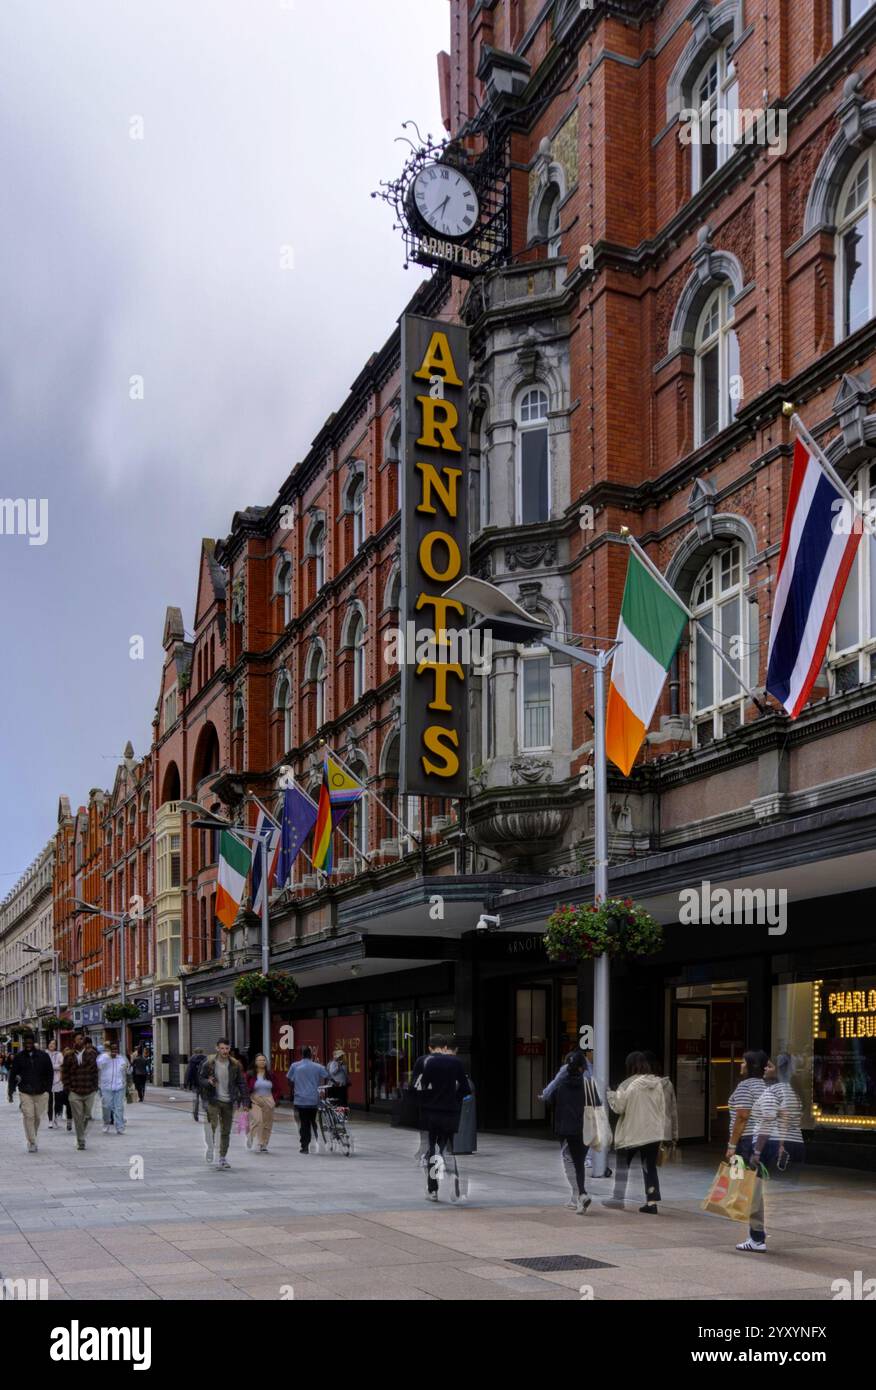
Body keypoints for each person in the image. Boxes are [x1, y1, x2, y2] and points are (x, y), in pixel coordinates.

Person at [726, 1050, 781, 1252]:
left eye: (743, 1062)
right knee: (752, 1188)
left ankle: (757, 1237)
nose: (740, 1065)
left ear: (750, 1066)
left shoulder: (745, 1086)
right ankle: (757, 1232)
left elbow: (741, 1116)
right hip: (766, 1142)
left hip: (748, 1142)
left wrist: (732, 1145)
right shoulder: (768, 1086)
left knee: (749, 1189)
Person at [606, 1051, 667, 1213]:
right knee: (649, 1168)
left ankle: (617, 1199)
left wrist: (611, 1094)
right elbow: (662, 1109)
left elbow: (619, 1107)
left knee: (622, 1166)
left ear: (630, 1066)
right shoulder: (657, 1083)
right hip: (653, 1134)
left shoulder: (627, 1085)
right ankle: (652, 1203)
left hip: (632, 1134)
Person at [418, 1034, 470, 1202]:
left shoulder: (430, 1063)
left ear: (432, 1047)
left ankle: (433, 1189)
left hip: (433, 1112)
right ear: (446, 1046)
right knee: (447, 1147)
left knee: (434, 1149)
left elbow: (423, 1087)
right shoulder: (457, 1063)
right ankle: (453, 1175)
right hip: (451, 1112)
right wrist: (454, 1098)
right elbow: (466, 1089)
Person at [541, 1049, 591, 1214]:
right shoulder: (588, 1085)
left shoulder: (561, 1085)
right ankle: (578, 1195)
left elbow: (550, 1100)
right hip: (584, 1128)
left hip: (565, 1129)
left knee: (568, 1162)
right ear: (583, 1067)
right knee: (579, 1163)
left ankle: (580, 1193)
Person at [198, 1037, 250, 1169]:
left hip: (229, 1102)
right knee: (212, 1127)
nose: (225, 1051)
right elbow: (200, 1079)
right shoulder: (209, 1063)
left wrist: (245, 1101)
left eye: (227, 1048)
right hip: (213, 1100)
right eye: (222, 1048)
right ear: (217, 1048)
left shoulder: (235, 1064)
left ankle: (222, 1157)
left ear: (230, 1049)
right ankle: (210, 1147)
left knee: (226, 1131)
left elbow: (241, 1083)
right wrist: (208, 1082)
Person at [7, 1032, 54, 1152]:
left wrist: (48, 1088)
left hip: (41, 1091)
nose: (28, 1045)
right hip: (25, 1091)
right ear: (23, 1043)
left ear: (34, 1043)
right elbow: (13, 1075)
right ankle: (32, 1142)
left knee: (37, 1117)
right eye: (26, 1043)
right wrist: (11, 1091)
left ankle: (32, 1135)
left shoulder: (43, 1056)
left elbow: (50, 1073)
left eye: (30, 1043)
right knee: (29, 1116)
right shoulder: (19, 1057)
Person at [287, 1047, 330, 1154]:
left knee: (303, 1123)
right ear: (311, 1055)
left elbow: (290, 1079)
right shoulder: (317, 1066)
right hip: (313, 1100)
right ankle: (316, 1138)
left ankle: (304, 1146)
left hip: (300, 1100)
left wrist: (296, 1085)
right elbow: (327, 1075)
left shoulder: (294, 1066)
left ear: (301, 1054)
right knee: (313, 1120)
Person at [61, 1032, 100, 1151]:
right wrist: (67, 1087)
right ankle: (81, 1140)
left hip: (89, 1089)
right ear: (74, 1041)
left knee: (87, 1116)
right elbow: (65, 1072)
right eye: (78, 1039)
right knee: (78, 1117)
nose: (81, 1041)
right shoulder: (69, 1056)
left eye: (82, 1039)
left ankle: (80, 1134)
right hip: (74, 1091)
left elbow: (95, 1071)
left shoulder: (92, 1054)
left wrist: (95, 1086)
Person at [773, 1051, 805, 1182]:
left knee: (781, 1182)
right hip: (798, 1141)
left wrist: (780, 1144)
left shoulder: (784, 1090)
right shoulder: (796, 1092)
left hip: (786, 1144)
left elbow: (785, 1118)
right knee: (792, 1181)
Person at [644, 1050, 679, 1155]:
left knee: (647, 1163)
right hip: (664, 1132)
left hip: (645, 1132)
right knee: (654, 1165)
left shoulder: (640, 1086)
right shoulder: (668, 1084)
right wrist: (674, 1135)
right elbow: (673, 1111)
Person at [246, 1054, 283, 1152]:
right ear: (255, 1062)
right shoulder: (250, 1074)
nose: (262, 1062)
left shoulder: (270, 1075)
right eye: (259, 1060)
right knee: (258, 1120)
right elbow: (245, 1087)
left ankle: (263, 1144)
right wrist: (245, 1100)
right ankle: (251, 1135)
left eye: (263, 1060)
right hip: (255, 1099)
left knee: (267, 1123)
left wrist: (274, 1099)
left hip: (269, 1099)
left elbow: (278, 1088)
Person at [97, 1039, 131, 1134]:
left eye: (116, 1050)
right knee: (106, 1106)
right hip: (106, 1087)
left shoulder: (122, 1059)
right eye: (113, 1050)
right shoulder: (103, 1058)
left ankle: (120, 1127)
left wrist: (127, 1069)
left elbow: (129, 1071)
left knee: (119, 1107)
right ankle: (106, 1123)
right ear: (109, 1050)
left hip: (120, 1087)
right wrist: (107, 1057)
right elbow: (98, 1066)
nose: (114, 1052)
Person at [46, 1038, 69, 1130]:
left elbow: (62, 1066)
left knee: (58, 1100)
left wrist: (52, 1067)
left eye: (54, 1044)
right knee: (49, 1101)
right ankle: (50, 1120)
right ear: (48, 1045)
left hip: (58, 1080)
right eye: (50, 1043)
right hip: (48, 1080)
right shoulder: (45, 1054)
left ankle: (56, 1116)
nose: (52, 1045)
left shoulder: (59, 1054)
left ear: (56, 1045)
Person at [185, 1049, 207, 1121]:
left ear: (194, 1052)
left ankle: (195, 1114)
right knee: (205, 1099)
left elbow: (188, 1072)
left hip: (195, 1083)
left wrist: (187, 1083)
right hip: (204, 1084)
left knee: (196, 1099)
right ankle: (208, 1111)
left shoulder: (192, 1061)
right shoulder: (206, 1060)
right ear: (202, 1052)